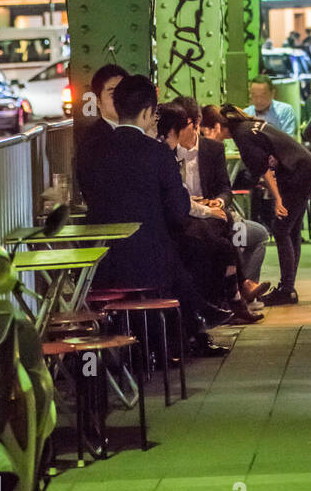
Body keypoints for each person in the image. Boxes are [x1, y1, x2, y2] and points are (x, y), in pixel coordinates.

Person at [80, 74, 229, 356]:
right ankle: (189, 332)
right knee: (189, 254)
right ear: (148, 112)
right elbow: (178, 209)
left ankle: (194, 325)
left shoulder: (94, 151)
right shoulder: (158, 153)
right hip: (150, 263)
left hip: (101, 261)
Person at [219, 104, 311, 306]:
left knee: (281, 229)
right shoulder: (249, 126)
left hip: (299, 173)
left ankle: (287, 289)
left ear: (222, 126)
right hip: (306, 168)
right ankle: (288, 288)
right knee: (291, 229)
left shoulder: (242, 135)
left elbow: (263, 170)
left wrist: (277, 199)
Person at [171, 95, 271, 312]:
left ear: (196, 123)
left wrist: (218, 201)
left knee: (237, 230)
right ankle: (240, 289)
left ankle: (235, 293)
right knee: (222, 240)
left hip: (212, 212)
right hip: (188, 216)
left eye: (183, 125)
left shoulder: (212, 149)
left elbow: (225, 188)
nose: (178, 132)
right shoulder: (167, 151)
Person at [74, 61, 126, 201]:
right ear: (98, 101)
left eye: (124, 92)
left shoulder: (142, 132)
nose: (120, 98)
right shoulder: (92, 140)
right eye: (113, 93)